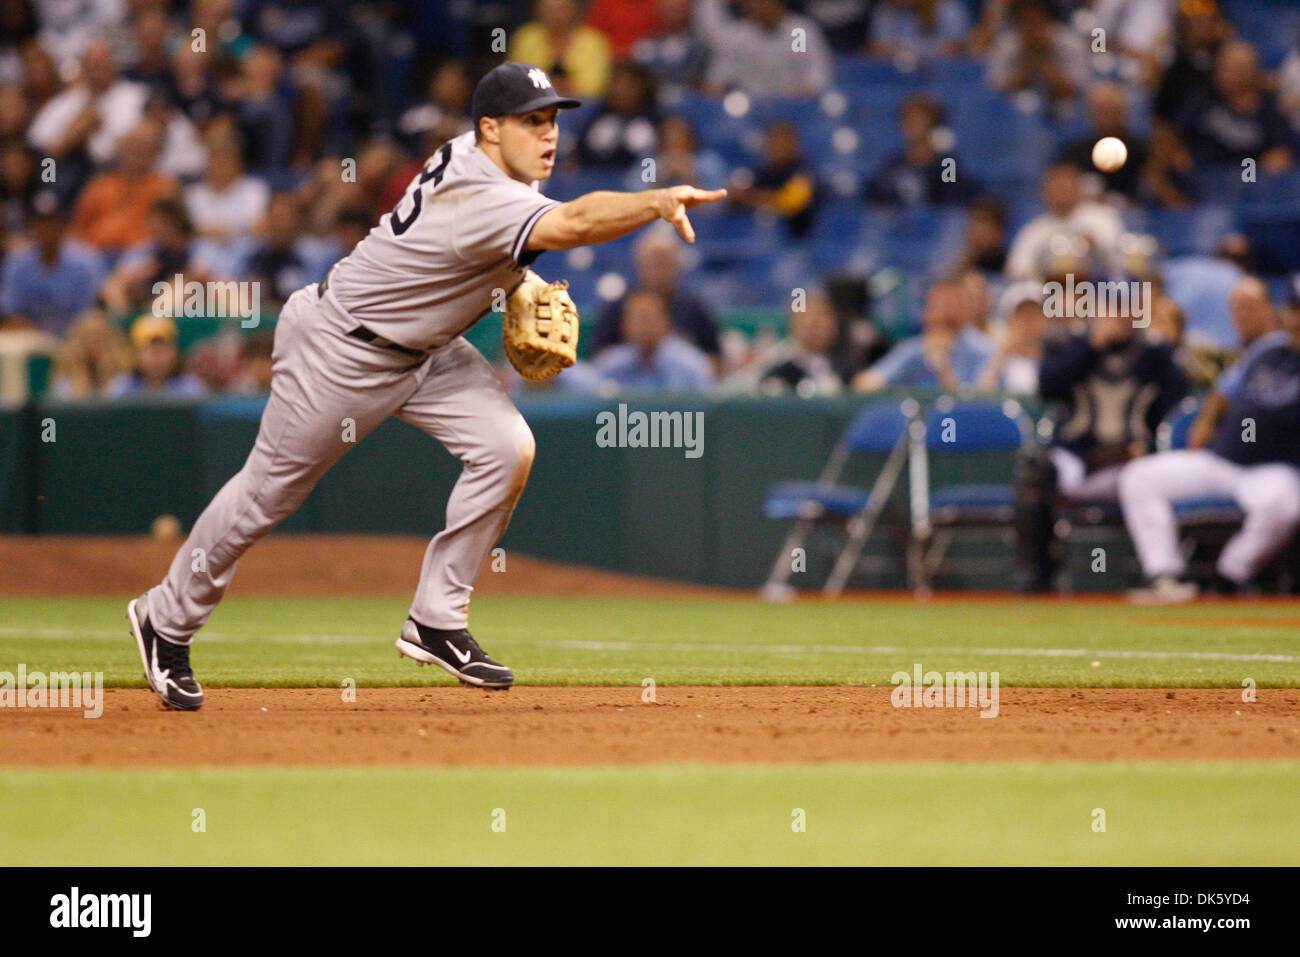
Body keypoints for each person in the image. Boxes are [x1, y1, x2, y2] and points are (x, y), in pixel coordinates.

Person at [125, 62, 727, 709]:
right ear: (490, 129)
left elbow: (463, 252)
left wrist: (518, 282)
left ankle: (437, 617)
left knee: (507, 446)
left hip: (424, 350)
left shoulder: (477, 161)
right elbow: (575, 224)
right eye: (532, 122)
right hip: (342, 351)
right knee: (263, 499)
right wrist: (655, 201)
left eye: (552, 120)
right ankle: (166, 616)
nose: (549, 135)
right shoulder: (485, 191)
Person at [1120, 289, 1300, 602]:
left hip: (1273, 470)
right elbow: (1224, 390)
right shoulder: (1269, 349)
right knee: (1139, 476)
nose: (1297, 319)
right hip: (1223, 459)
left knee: (1284, 507)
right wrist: (1206, 421)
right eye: (1295, 310)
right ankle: (1165, 575)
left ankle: (1229, 575)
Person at [1012, 302, 1188, 591]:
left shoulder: (1155, 353)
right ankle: (1036, 578)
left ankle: (1162, 574)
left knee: (1146, 478)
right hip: (1077, 460)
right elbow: (1047, 387)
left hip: (1128, 465)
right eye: (1111, 308)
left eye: (1125, 308)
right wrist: (1092, 346)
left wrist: (1150, 447)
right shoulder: (1071, 343)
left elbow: (1177, 413)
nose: (1117, 318)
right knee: (1034, 468)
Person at [590, 222, 721, 361]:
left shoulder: (694, 307)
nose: (659, 270)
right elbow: (599, 358)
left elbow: (715, 358)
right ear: (639, 264)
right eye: (654, 262)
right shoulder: (619, 306)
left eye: (665, 262)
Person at [852, 279, 993, 392]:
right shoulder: (914, 348)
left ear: (963, 310)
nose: (944, 315)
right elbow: (867, 383)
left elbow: (978, 399)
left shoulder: (980, 348)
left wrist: (943, 368)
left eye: (950, 306)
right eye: (938, 306)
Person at [0, 190, 104, 337]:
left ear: (64, 225)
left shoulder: (86, 262)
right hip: (30, 339)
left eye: (53, 223)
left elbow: (90, 313)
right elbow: (11, 312)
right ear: (32, 227)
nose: (47, 230)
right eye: (42, 224)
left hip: (76, 339)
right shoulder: (17, 262)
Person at [589, 287, 715, 392]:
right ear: (624, 325)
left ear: (666, 322)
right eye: (636, 319)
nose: (643, 327)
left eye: (648, 318)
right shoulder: (610, 365)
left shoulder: (692, 366)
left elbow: (706, 412)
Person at [107, 314, 209, 399]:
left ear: (175, 352)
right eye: (149, 349)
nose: (157, 356)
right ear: (136, 353)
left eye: (163, 348)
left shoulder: (191, 389)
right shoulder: (121, 388)